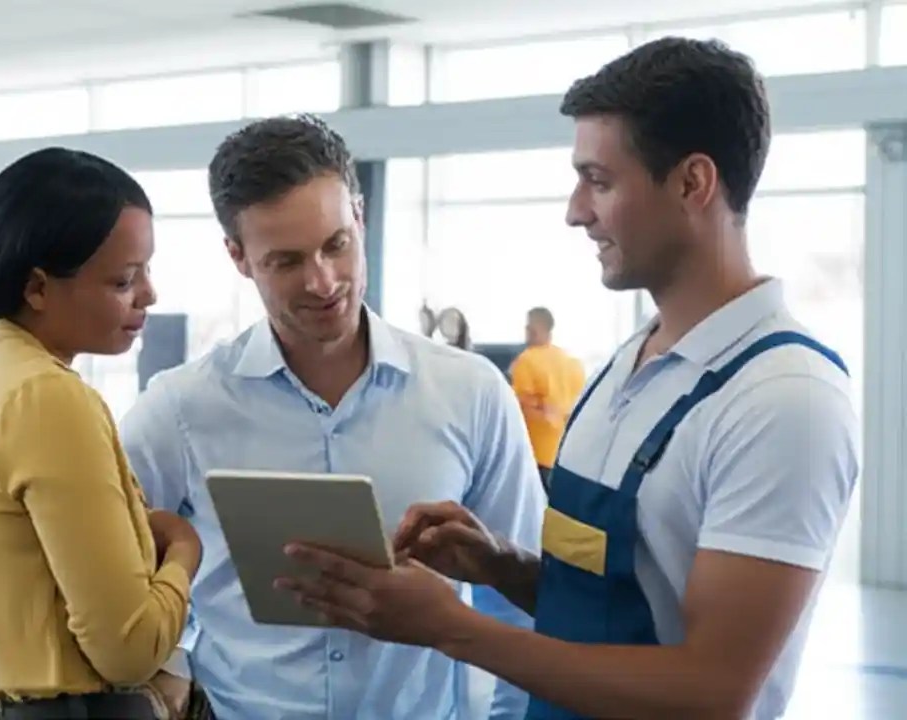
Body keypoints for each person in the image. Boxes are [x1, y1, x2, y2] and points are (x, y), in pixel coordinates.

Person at [279, 37, 859, 720]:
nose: (575, 210)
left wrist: (452, 627)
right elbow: (619, 601)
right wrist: (500, 565)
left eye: (600, 180)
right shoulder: (629, 363)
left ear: (692, 183)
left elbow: (712, 691)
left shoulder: (784, 400)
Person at [118, 114, 546, 720]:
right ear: (238, 257)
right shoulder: (180, 409)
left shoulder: (471, 392)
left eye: (336, 245)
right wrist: (166, 670)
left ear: (360, 219)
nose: (322, 282)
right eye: (286, 261)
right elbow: (111, 582)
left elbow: (519, 595)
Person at [0, 147, 209, 720]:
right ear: (38, 288)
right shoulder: (50, 398)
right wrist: (183, 551)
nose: (148, 295)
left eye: (147, 272)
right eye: (124, 279)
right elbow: (128, 649)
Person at [507, 307, 586, 489]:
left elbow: (517, 407)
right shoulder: (572, 362)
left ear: (532, 329)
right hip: (562, 456)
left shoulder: (527, 360)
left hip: (534, 454)